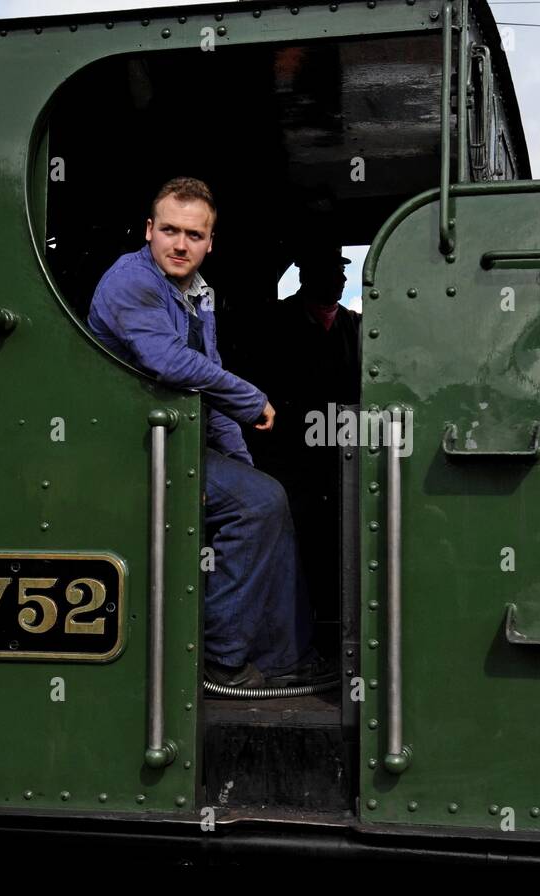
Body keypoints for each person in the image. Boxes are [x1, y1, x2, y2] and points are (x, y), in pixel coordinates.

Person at [86, 177, 328, 689]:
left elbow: (208, 389)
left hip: (171, 441)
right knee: (257, 504)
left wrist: (240, 462)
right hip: (123, 445)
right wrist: (249, 398)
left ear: (210, 242)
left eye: (193, 235)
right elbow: (169, 362)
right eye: (169, 230)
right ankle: (220, 656)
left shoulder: (199, 294)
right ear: (149, 230)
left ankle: (289, 656)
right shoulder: (132, 282)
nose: (180, 244)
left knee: (269, 499)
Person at [252, 248, 362, 622]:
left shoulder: (356, 326)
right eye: (333, 272)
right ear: (306, 276)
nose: (342, 280)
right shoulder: (274, 321)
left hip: (340, 449)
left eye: (342, 273)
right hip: (288, 453)